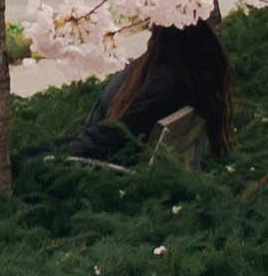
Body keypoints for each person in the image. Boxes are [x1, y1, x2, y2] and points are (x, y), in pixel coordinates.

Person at [66, 10, 234, 171]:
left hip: (107, 166)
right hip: (115, 150)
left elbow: (114, 136)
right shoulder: (196, 78)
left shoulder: (158, 89)